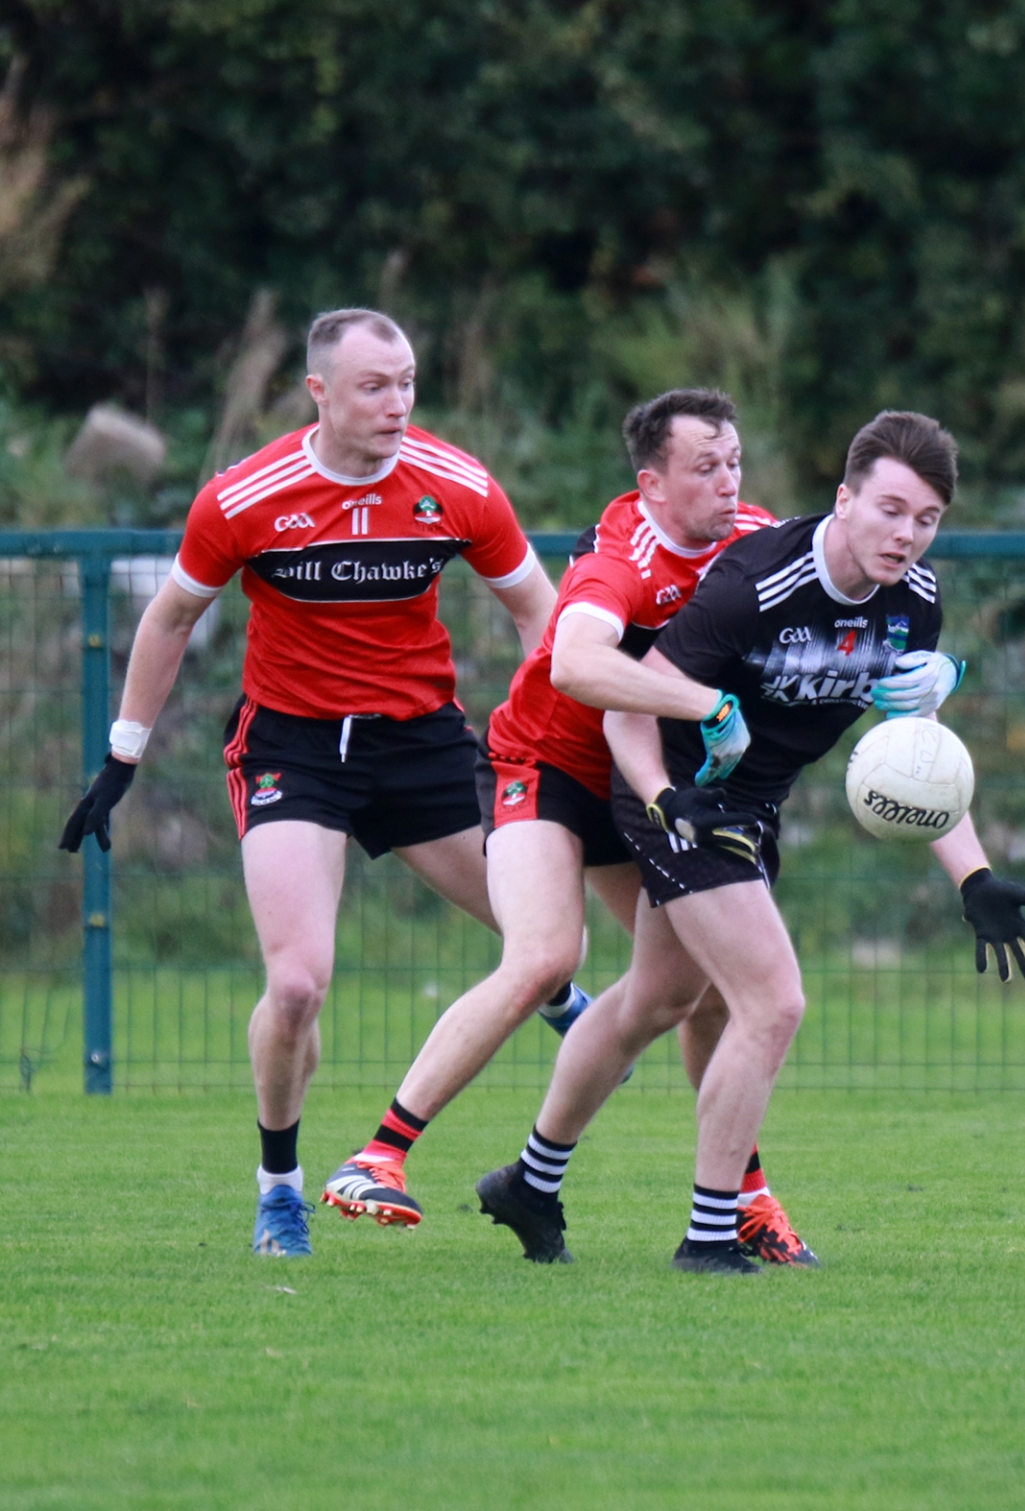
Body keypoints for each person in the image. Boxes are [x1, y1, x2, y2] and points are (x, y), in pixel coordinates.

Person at [476, 410, 1025, 1274]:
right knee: (773, 1000)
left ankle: (530, 1180)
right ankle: (713, 1233)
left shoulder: (916, 604)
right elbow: (632, 706)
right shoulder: (758, 582)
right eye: (890, 510)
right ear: (845, 498)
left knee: (654, 1001)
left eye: (926, 520)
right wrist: (666, 799)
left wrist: (973, 875)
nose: (906, 536)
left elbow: (918, 757)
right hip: (677, 797)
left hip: (750, 808)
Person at [59, 308, 557, 1258]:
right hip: (293, 750)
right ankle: (280, 1191)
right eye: (375, 386)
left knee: (545, 943)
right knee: (295, 986)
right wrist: (123, 756)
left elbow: (539, 609)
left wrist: (553, 739)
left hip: (420, 746)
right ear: (319, 392)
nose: (398, 403)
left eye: (408, 381)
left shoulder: (455, 485)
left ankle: (567, 1020)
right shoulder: (246, 498)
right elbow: (167, 621)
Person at [319, 388, 818, 1263]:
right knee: (548, 955)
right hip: (546, 770)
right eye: (706, 467)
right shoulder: (621, 558)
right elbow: (580, 657)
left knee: (699, 988)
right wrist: (708, 701)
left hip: (652, 790)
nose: (728, 481)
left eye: (734, 461)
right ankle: (379, 1155)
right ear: (652, 483)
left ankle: (715, 1198)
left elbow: (835, 575)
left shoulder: (753, 543)